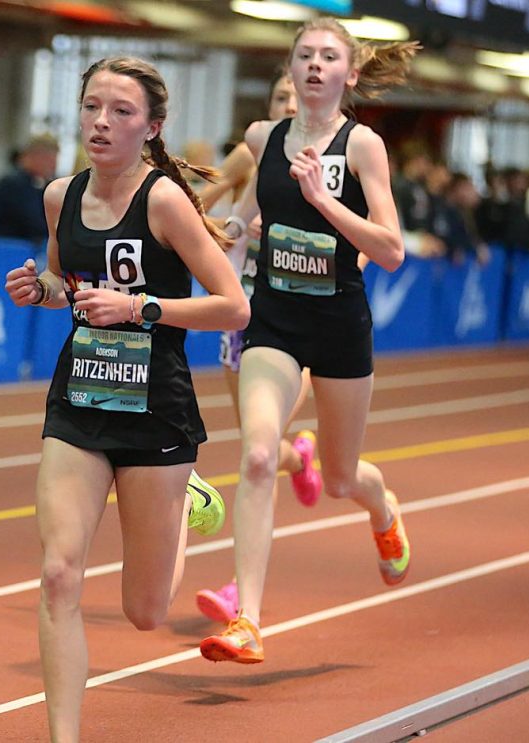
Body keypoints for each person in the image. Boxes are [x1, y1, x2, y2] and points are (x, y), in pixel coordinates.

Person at [3, 56, 249, 742]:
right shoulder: (60, 194)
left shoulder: (165, 200)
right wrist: (42, 289)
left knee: (145, 611)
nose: (101, 122)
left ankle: (182, 492)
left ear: (152, 127)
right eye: (91, 108)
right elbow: (65, 281)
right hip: (80, 397)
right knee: (57, 571)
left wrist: (141, 309)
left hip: (156, 406)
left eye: (120, 111)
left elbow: (231, 306)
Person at [199, 17, 418, 665]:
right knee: (260, 456)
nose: (315, 65)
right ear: (291, 70)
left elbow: (392, 249)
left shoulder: (363, 146)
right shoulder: (263, 138)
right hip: (274, 322)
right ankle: (249, 621)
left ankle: (382, 507)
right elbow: (236, 224)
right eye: (305, 55)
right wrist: (221, 231)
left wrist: (324, 201)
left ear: (350, 74)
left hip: (340, 324)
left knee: (342, 477)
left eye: (329, 56)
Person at [191, 68, 325, 624]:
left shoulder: (335, 164)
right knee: (258, 448)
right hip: (245, 312)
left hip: (306, 321)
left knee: (257, 456)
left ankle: (237, 591)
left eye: (296, 98)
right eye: (277, 97)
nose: (285, 106)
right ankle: (303, 457)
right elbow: (202, 203)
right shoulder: (253, 152)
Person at [0, 133, 59, 244]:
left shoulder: (38, 183)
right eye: (50, 159)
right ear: (35, 156)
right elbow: (34, 223)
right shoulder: (13, 184)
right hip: (1, 249)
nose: (54, 165)